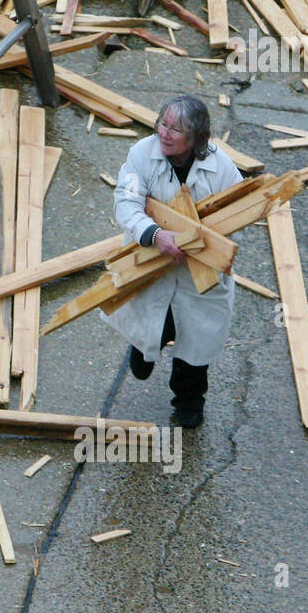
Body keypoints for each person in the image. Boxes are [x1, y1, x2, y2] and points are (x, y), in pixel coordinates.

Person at [101, 95, 243, 428]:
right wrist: (154, 234)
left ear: (196, 137)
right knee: (153, 322)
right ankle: (143, 348)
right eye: (163, 123)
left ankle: (189, 402)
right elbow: (126, 201)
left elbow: (238, 211)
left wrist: (205, 243)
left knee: (196, 342)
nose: (165, 133)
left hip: (199, 273)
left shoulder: (220, 167)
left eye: (176, 129)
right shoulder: (141, 155)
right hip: (151, 260)